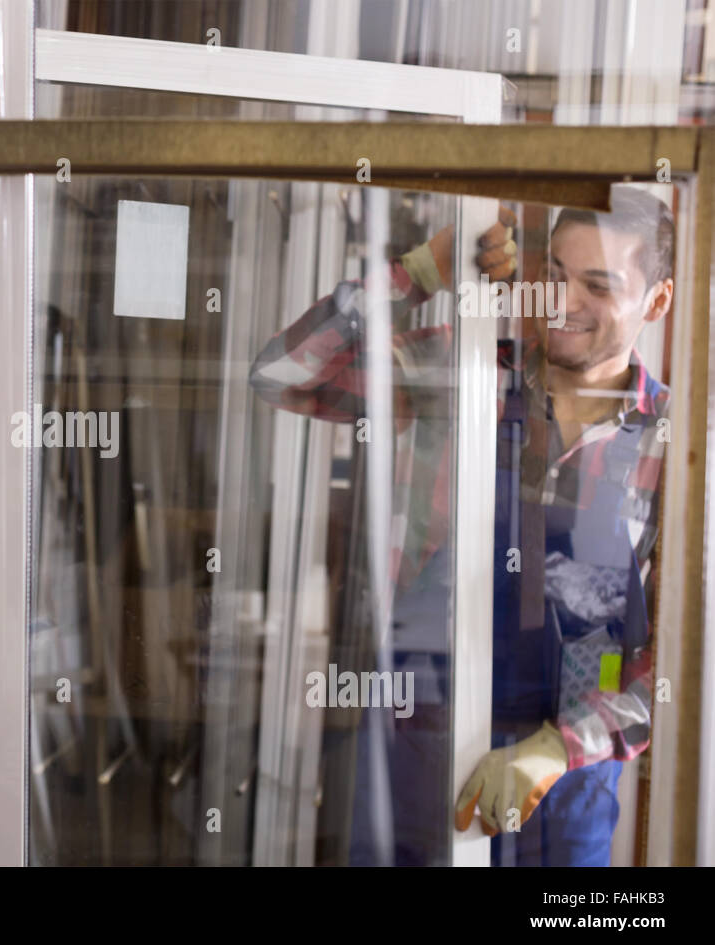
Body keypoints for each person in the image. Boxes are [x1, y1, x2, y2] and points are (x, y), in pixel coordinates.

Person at [248, 185, 673, 866]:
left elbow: (683, 661)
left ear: (656, 302)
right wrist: (420, 273)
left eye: (597, 286)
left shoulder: (675, 445)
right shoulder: (457, 372)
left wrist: (559, 749)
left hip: (567, 781)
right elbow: (278, 375)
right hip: (418, 737)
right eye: (555, 276)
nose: (562, 303)